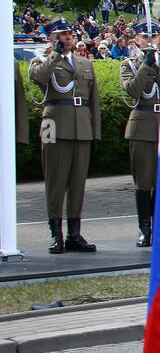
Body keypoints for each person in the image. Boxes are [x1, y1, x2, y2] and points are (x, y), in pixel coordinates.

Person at [29, 19, 100, 253]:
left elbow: (94, 102)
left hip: (82, 127)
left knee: (78, 184)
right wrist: (54, 56)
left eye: (69, 34)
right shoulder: (42, 61)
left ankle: (74, 234)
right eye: (62, 35)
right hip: (54, 126)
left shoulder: (84, 63)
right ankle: (55, 234)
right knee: (56, 182)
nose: (67, 38)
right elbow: (38, 78)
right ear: (53, 38)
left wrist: (95, 133)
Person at [120, 21, 160, 247]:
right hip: (142, 125)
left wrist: (157, 65)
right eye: (145, 36)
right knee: (144, 181)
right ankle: (144, 229)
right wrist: (146, 66)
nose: (149, 40)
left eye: (154, 36)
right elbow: (133, 92)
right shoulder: (129, 64)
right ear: (137, 39)